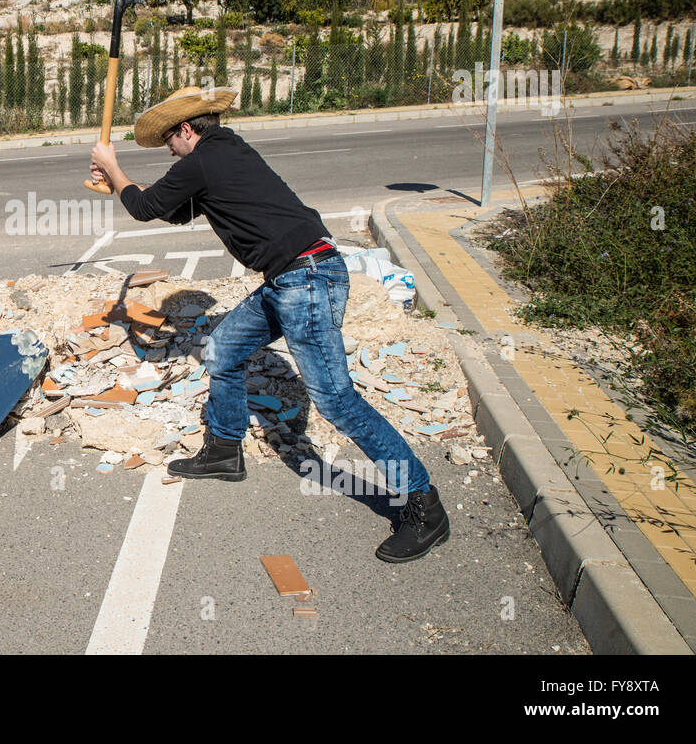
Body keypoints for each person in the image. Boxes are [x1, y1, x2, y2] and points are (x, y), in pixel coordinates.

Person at [89, 86, 449, 562]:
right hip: (292, 278)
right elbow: (175, 211)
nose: (170, 153)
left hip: (306, 280)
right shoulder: (225, 152)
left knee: (338, 403)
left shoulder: (203, 160)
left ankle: (424, 506)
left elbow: (146, 207)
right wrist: (116, 182)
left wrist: (113, 169)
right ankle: (223, 451)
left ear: (186, 130)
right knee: (224, 348)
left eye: (169, 143)